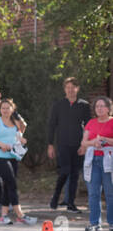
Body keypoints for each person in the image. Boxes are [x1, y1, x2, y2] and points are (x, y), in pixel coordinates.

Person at [0, 99, 35, 225]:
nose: (5, 110)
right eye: (3, 108)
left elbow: (19, 134)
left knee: (7, 185)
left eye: (7, 108)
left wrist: (21, 140)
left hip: (13, 156)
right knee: (11, 182)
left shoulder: (16, 122)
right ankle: (20, 214)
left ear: (12, 109)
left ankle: (4, 216)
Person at [48, 77, 90, 212]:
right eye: (68, 87)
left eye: (73, 87)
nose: (70, 90)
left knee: (75, 174)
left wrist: (85, 145)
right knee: (65, 171)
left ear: (77, 88)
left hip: (78, 145)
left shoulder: (84, 105)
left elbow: (88, 126)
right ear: (64, 89)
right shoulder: (58, 105)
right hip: (63, 144)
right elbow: (51, 125)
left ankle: (70, 203)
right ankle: (55, 196)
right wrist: (50, 144)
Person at [78, 96, 113, 231]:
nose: (99, 108)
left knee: (110, 193)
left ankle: (111, 223)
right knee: (93, 193)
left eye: (102, 106)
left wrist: (105, 140)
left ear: (108, 108)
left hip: (109, 160)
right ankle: (94, 223)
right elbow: (84, 142)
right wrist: (94, 143)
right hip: (93, 161)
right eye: (97, 106)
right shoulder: (91, 123)